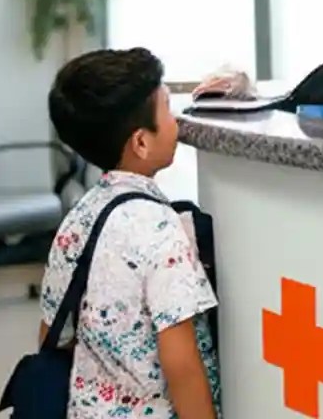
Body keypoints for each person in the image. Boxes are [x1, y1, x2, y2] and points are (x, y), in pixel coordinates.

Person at [40, 48, 220, 419]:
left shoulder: (79, 217)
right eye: (168, 110)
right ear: (141, 142)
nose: (177, 123)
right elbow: (181, 364)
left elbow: (51, 332)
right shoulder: (160, 228)